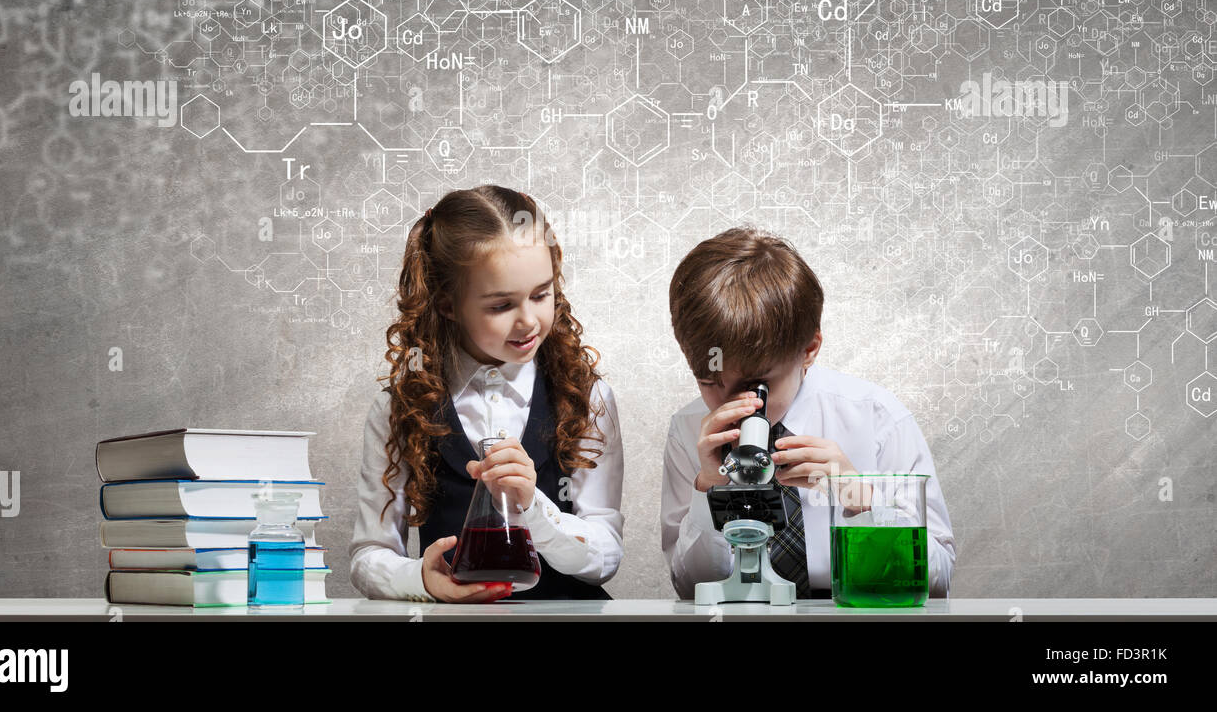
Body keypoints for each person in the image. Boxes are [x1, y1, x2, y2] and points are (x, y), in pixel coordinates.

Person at [350, 185, 623, 602]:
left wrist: (535, 507)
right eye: (500, 306)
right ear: (447, 304)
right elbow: (370, 555)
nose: (529, 321)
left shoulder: (589, 398)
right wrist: (423, 580)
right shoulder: (399, 408)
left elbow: (605, 557)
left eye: (542, 294)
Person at [660, 226, 955, 599]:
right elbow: (689, 588)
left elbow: (939, 577)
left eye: (755, 386)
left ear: (809, 348)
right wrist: (709, 490)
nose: (730, 404)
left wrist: (861, 500)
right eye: (707, 380)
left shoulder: (876, 418)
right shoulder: (690, 431)